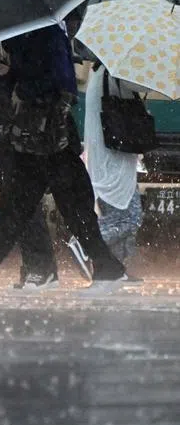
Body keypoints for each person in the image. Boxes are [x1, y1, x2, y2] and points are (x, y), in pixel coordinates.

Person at [0, 24, 130, 296]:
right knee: (38, 205)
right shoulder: (32, 30)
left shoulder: (45, 32)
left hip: (46, 136)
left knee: (26, 205)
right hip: (40, 139)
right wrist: (3, 65)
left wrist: (22, 86)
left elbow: (60, 79)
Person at [0, 43, 59, 291]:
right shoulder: (0, 62)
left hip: (24, 138)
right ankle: (34, 266)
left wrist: (9, 74)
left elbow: (32, 94)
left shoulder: (32, 55)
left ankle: (42, 267)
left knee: (24, 203)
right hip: (6, 139)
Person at [82, 65, 145, 277]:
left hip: (112, 155)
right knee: (130, 218)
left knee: (119, 215)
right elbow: (138, 84)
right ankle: (86, 243)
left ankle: (113, 269)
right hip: (113, 158)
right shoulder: (115, 73)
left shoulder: (101, 72)